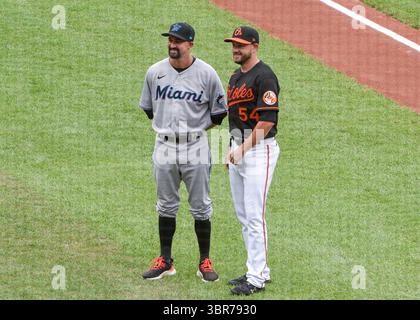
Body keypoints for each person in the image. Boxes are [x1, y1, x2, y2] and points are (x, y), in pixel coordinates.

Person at [139, 23, 227, 282]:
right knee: (166, 204)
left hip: (196, 146)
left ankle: (205, 262)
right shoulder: (155, 72)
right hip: (164, 144)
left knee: (201, 206)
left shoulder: (207, 74)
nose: (172, 44)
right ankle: (165, 260)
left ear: (190, 44)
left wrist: (195, 129)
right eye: (170, 40)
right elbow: (148, 108)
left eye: (178, 41)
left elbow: (219, 113)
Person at [224, 26, 280, 295]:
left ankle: (257, 278)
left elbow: (267, 121)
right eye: (234, 44)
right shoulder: (235, 77)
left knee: (255, 216)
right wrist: (231, 148)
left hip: (259, 151)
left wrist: (243, 149)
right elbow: (235, 117)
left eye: (241, 45)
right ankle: (256, 269)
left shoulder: (265, 77)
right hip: (240, 150)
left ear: (255, 46)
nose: (236, 49)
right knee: (244, 215)